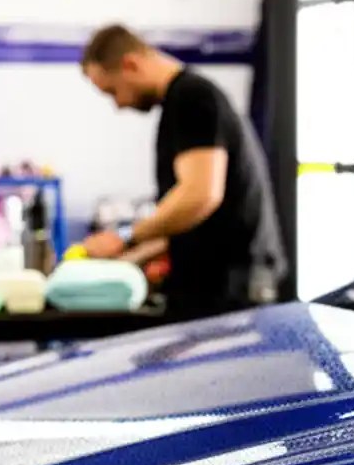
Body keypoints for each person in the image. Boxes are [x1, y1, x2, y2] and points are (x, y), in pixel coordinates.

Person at [78, 24, 286, 320]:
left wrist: (124, 236)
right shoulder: (183, 101)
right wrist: (126, 260)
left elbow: (200, 196)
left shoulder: (192, 97)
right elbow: (185, 221)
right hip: (222, 283)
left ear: (131, 64)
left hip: (231, 287)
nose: (119, 104)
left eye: (113, 91)